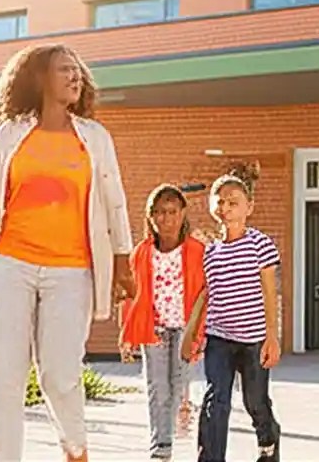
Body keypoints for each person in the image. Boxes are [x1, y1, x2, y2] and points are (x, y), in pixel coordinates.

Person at [0, 42, 136, 462]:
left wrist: (122, 262)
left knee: (60, 375)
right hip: (9, 265)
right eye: (65, 70)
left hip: (72, 271)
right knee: (3, 377)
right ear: (39, 78)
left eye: (78, 70)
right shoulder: (10, 134)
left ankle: (75, 449)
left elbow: (115, 202)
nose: (75, 76)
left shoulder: (95, 138)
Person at [183, 162, 282, 462]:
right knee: (217, 399)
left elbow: (269, 292)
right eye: (220, 201)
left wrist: (272, 337)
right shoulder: (210, 251)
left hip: (253, 341)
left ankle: (268, 440)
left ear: (248, 207)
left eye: (233, 202)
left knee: (255, 402)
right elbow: (205, 294)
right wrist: (191, 335)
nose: (226, 207)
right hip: (219, 339)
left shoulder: (260, 244)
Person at [118, 183, 207, 460]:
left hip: (185, 329)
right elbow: (130, 295)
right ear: (150, 217)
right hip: (153, 328)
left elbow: (207, 293)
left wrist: (199, 333)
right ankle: (161, 448)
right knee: (157, 389)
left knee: (177, 386)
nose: (166, 219)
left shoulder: (197, 251)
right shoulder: (142, 252)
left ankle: (166, 440)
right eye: (159, 212)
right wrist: (127, 335)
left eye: (171, 211)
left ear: (182, 214)